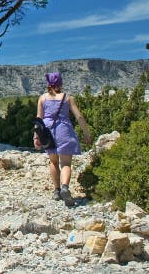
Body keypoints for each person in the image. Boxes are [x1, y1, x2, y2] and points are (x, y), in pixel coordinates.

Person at [34, 72, 92, 205]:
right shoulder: (67, 98)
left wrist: (36, 137)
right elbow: (79, 117)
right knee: (66, 163)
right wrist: (86, 133)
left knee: (53, 162)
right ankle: (65, 187)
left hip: (47, 132)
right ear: (60, 83)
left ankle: (56, 191)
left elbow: (38, 119)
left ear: (48, 83)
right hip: (64, 130)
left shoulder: (42, 98)